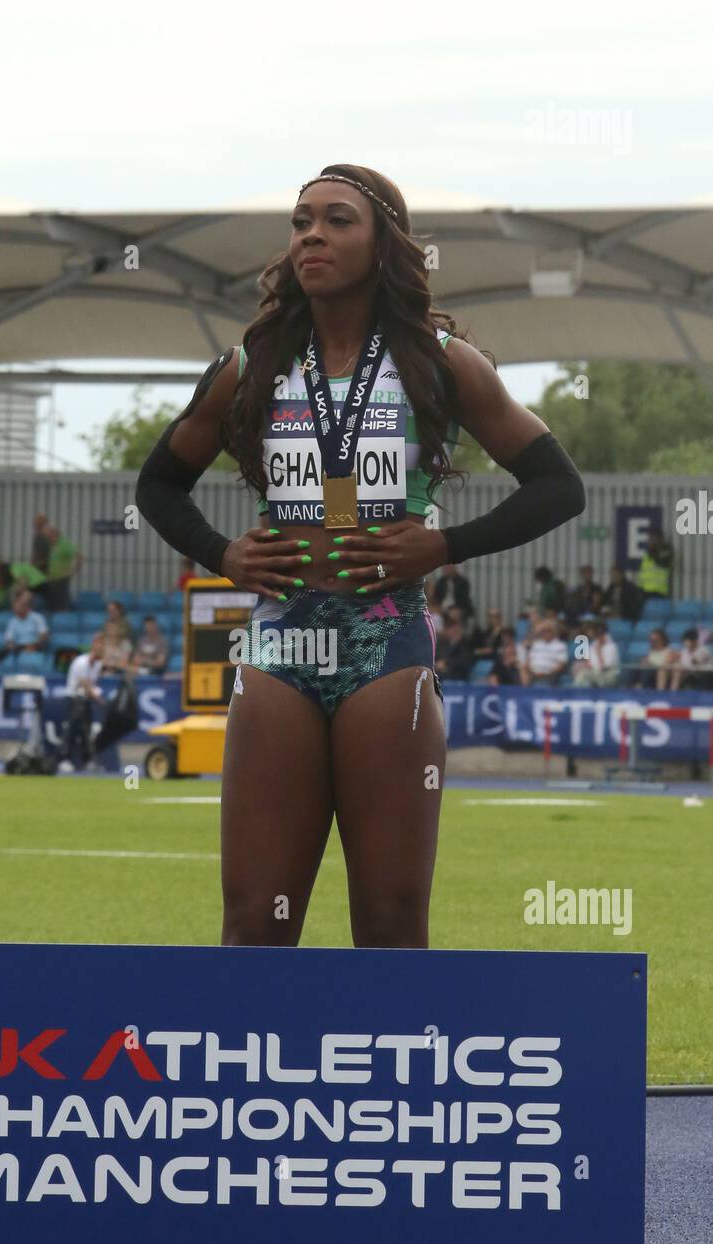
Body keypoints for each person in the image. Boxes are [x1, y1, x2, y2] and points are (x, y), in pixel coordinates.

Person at [135, 163, 585, 948]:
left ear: (384, 245)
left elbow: (556, 485)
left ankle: (381, 1073)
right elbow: (158, 485)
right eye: (301, 219)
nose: (311, 233)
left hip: (387, 647)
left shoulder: (441, 362)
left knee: (388, 922)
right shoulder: (249, 366)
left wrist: (444, 545)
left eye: (337, 220)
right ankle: (259, 1071)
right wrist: (222, 553)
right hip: (280, 643)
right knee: (252, 923)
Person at [58, 632, 105, 770]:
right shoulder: (81, 663)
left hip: (85, 700)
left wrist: (94, 693)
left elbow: (92, 684)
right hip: (74, 699)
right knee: (71, 729)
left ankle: (87, 761)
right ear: (94, 646)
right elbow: (84, 684)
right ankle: (64, 759)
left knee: (87, 730)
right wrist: (98, 698)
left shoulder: (98, 665)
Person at [43, 524, 81, 612]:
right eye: (47, 537)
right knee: (52, 604)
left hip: (62, 579)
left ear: (55, 535)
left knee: (61, 604)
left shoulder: (64, 544)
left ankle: (62, 617)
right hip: (52, 579)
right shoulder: (52, 546)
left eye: (49, 536)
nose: (47, 539)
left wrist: (73, 571)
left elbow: (79, 556)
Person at [521, 618, 569, 686]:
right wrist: (531, 671)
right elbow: (528, 660)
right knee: (522, 668)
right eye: (543, 631)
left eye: (548, 630)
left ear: (553, 631)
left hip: (549, 675)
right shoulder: (537, 644)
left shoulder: (560, 645)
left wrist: (547, 673)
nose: (545, 633)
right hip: (533, 674)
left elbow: (561, 664)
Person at [571, 620, 619, 687]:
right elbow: (590, 662)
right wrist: (582, 665)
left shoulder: (611, 646)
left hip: (608, 675)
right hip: (595, 673)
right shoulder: (594, 644)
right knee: (579, 669)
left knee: (583, 675)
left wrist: (599, 652)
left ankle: (575, 694)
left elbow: (605, 667)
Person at [637, 526, 673, 601]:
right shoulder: (648, 554)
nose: (649, 540)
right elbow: (643, 573)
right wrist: (639, 588)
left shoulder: (666, 549)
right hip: (645, 592)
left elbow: (662, 563)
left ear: (659, 538)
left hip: (659, 592)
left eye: (652, 538)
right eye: (649, 538)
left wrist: (654, 550)